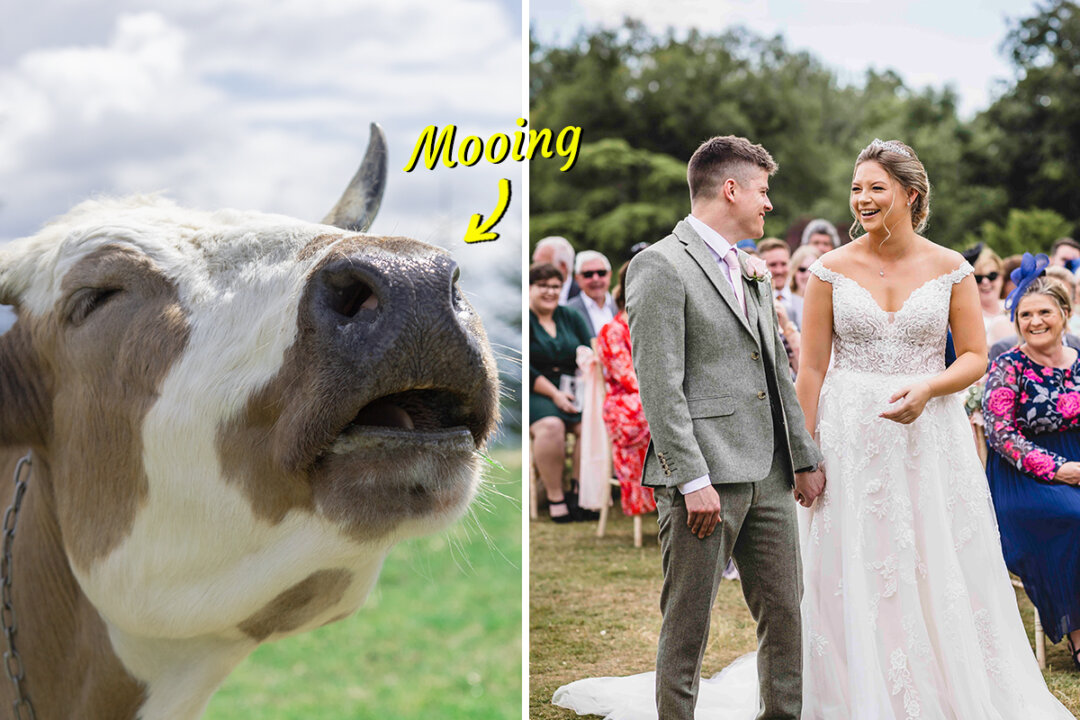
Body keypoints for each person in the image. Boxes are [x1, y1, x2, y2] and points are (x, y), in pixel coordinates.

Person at [553, 139, 1076, 719]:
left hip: (929, 439)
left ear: (911, 193)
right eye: (857, 187)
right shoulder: (821, 269)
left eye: (876, 186)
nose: (863, 197)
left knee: (925, 569)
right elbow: (806, 370)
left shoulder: (950, 266)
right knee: (827, 578)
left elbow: (972, 356)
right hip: (846, 435)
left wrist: (928, 389)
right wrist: (806, 454)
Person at [605, 134, 824, 720]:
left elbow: (776, 365)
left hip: (772, 473)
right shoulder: (659, 264)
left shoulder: (753, 270)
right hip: (703, 477)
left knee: (785, 611)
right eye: (762, 191)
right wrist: (690, 478)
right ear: (730, 189)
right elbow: (659, 384)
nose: (768, 205)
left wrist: (802, 456)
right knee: (687, 623)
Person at [983, 263, 1080, 669]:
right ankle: (1079, 636)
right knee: (1071, 514)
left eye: (1044, 312)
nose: (1035, 321)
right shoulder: (1008, 366)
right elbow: (1000, 433)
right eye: (1026, 314)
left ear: (1065, 314)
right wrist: (1059, 469)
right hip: (1022, 475)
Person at [529, 262, 592, 522]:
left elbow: (590, 349)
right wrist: (555, 395)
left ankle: (578, 493)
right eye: (543, 286)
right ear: (531, 288)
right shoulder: (527, 319)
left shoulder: (571, 317)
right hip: (538, 392)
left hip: (574, 387)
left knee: (589, 427)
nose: (550, 292)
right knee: (552, 426)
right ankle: (556, 497)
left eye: (556, 286)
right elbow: (525, 368)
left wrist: (586, 362)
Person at [595, 262, 655, 517]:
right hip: (626, 402)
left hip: (655, 396)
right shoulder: (613, 330)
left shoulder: (654, 326)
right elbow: (628, 377)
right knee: (659, 414)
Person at [566, 250, 618, 338]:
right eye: (588, 274)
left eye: (601, 273)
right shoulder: (568, 312)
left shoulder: (622, 307)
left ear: (610, 275)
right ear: (577, 278)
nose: (595, 279)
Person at [973, 245, 1013, 343]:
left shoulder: (1014, 305)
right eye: (978, 278)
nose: (985, 282)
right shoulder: (969, 316)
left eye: (992, 276)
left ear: (1001, 277)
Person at [759, 237, 803, 329]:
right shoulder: (756, 301)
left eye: (783, 264)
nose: (779, 271)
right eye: (772, 265)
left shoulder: (803, 301)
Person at [533, 236, 580, 304]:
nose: (535, 271)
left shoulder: (583, 296)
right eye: (535, 264)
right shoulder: (531, 294)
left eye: (542, 266)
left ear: (563, 267)